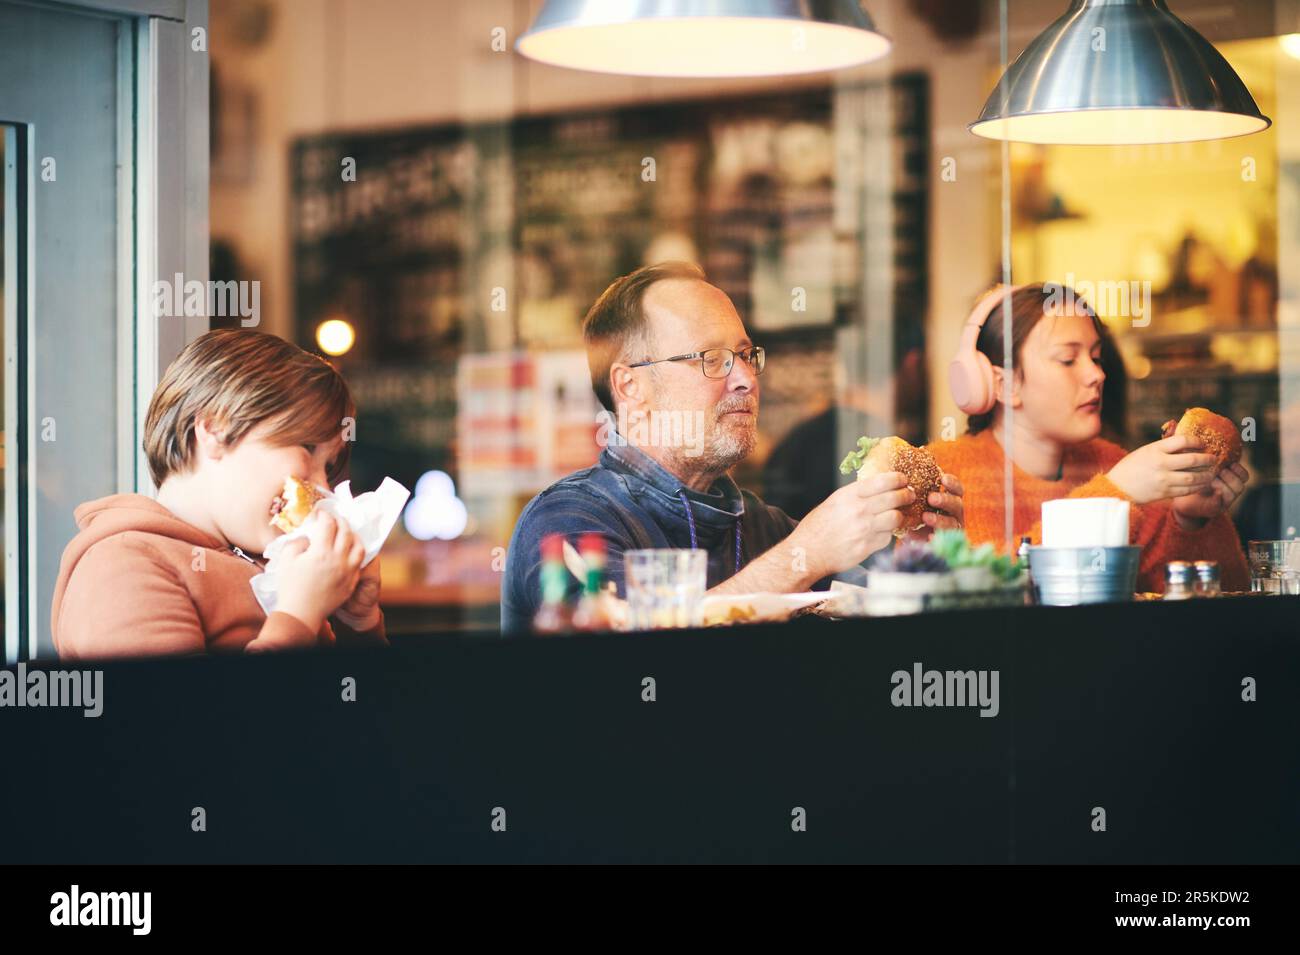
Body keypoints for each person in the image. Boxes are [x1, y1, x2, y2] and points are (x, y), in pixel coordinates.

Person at [501, 261, 965, 632]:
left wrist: (922, 563)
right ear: (630, 386)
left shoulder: (763, 526)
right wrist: (804, 554)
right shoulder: (567, 523)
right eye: (713, 360)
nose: (746, 378)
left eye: (745, 355)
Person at [52, 329, 386, 658]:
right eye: (306, 447)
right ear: (215, 430)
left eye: (328, 467)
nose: (323, 488)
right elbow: (177, 711)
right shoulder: (123, 566)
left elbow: (366, 710)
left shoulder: (278, 566)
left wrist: (357, 623)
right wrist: (297, 616)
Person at [931, 283, 1250, 592]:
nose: (1097, 374)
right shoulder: (945, 476)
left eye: (1095, 357)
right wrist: (1111, 495)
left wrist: (1190, 520)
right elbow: (981, 591)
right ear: (1002, 384)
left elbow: (1221, 595)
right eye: (1068, 359)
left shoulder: (1111, 462)